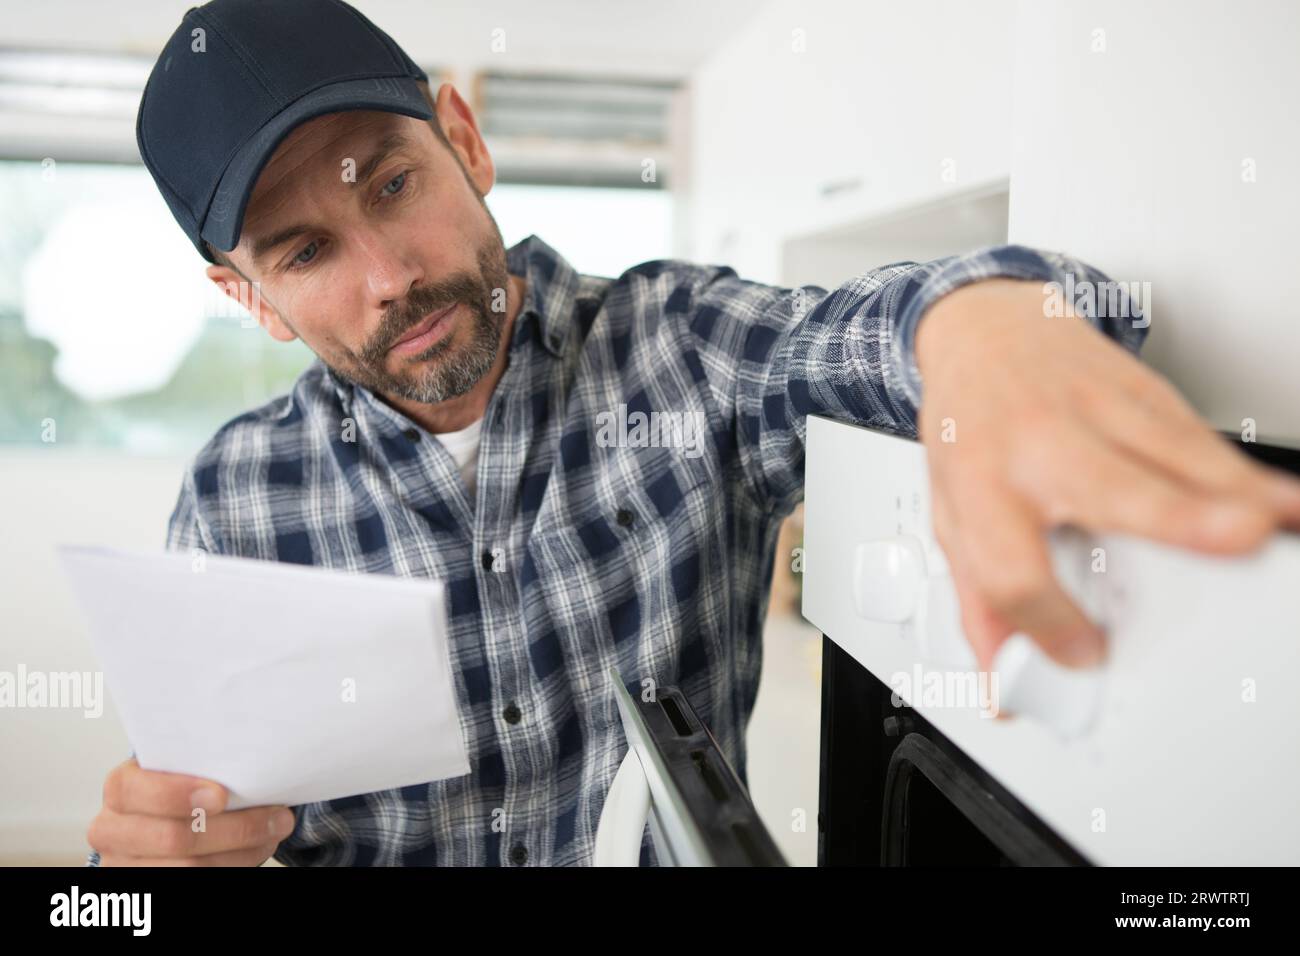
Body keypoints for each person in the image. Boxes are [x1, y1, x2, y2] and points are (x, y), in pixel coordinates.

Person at [87, 0, 1300, 866]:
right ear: (248, 298)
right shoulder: (232, 503)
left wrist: (975, 333)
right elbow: (190, 824)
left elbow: (872, 327)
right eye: (305, 253)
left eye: (390, 183)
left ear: (463, 138)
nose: (389, 277)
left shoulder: (677, 345)